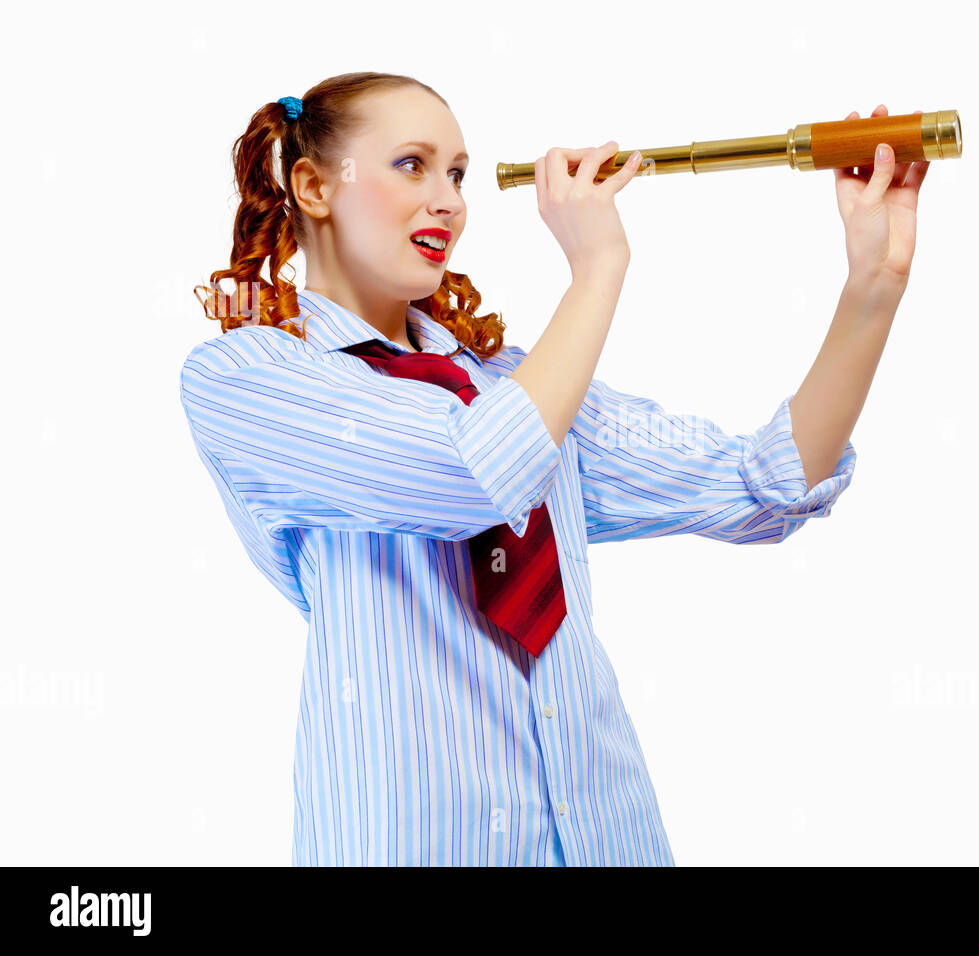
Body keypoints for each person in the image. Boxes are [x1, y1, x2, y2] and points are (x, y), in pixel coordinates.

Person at [179, 71, 925, 866]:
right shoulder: (245, 379)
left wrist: (872, 287)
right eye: (412, 165)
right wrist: (598, 270)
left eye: (459, 174)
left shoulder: (514, 383)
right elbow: (470, 474)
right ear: (313, 185)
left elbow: (758, 487)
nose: (450, 201)